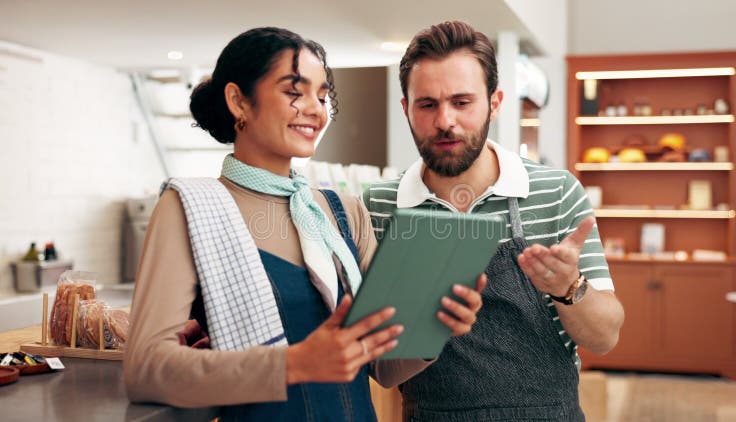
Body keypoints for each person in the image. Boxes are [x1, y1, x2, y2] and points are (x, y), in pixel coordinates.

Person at [123, 27, 485, 421]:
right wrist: (293, 363)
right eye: (295, 91)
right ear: (238, 101)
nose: (315, 109)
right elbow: (146, 369)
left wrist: (433, 326)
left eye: (323, 95)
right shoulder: (190, 207)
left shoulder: (344, 212)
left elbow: (382, 366)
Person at [362, 21, 625, 421]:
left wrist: (568, 287)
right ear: (406, 109)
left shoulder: (555, 192)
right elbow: (376, 359)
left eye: (462, 102)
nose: (445, 121)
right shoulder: (378, 207)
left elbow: (605, 337)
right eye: (428, 104)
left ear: (495, 102)